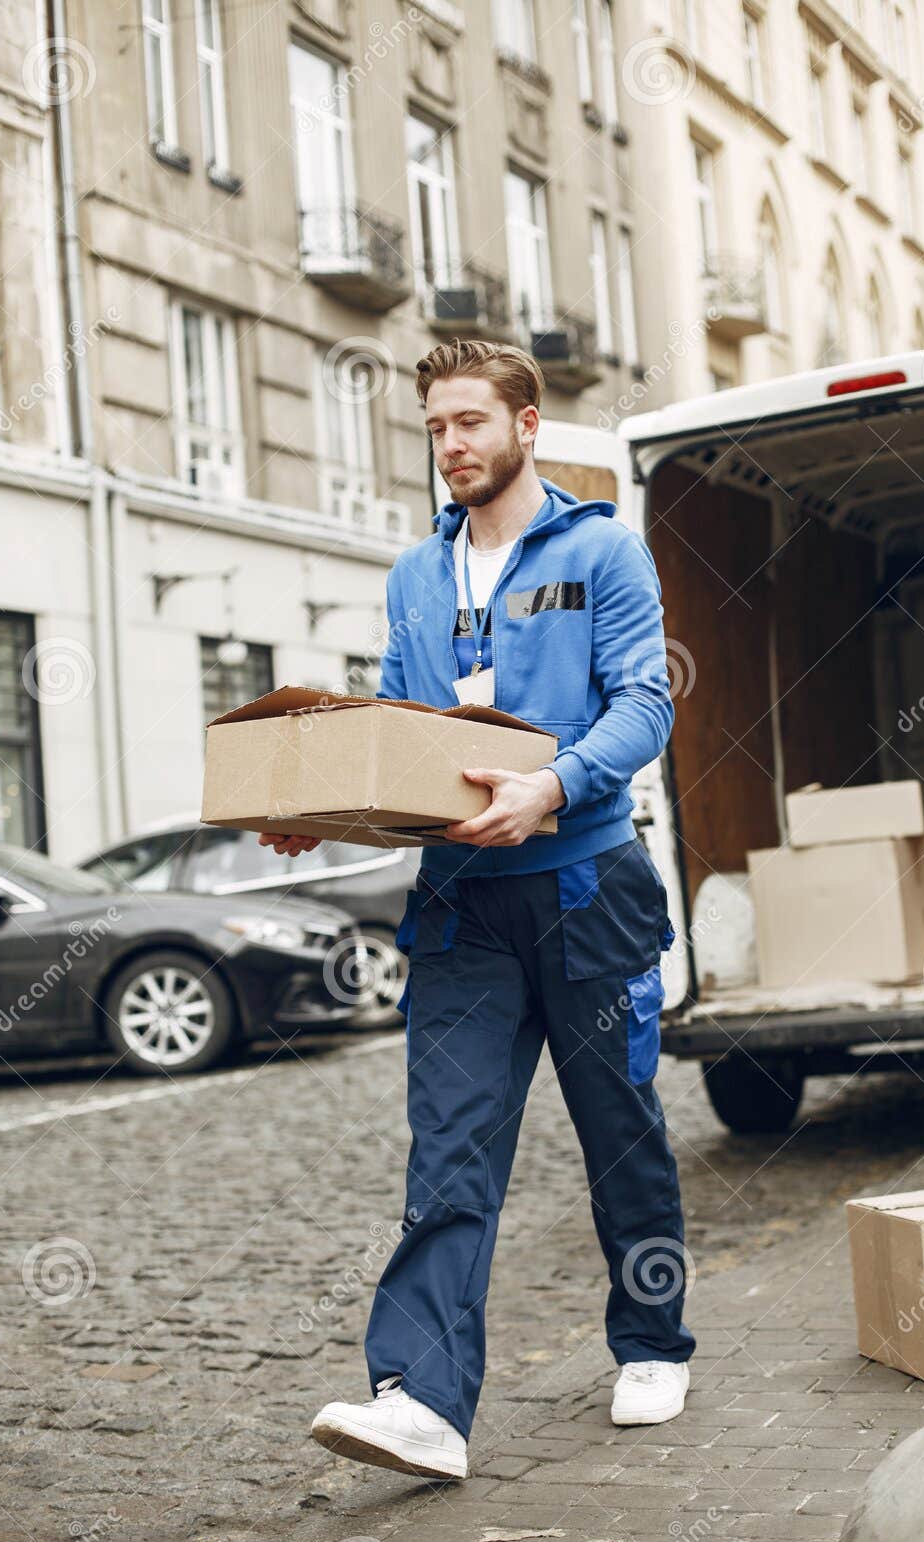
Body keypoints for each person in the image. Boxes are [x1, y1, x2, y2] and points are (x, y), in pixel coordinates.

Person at [258, 338, 696, 1482]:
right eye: (435, 428)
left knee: (621, 1133)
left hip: (584, 885)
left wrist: (550, 784)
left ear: (525, 425)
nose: (450, 445)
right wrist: (326, 806)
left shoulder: (600, 549)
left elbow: (644, 704)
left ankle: (650, 1337)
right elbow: (406, 735)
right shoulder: (415, 574)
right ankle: (423, 1401)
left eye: (468, 423)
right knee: (448, 1151)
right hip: (459, 906)